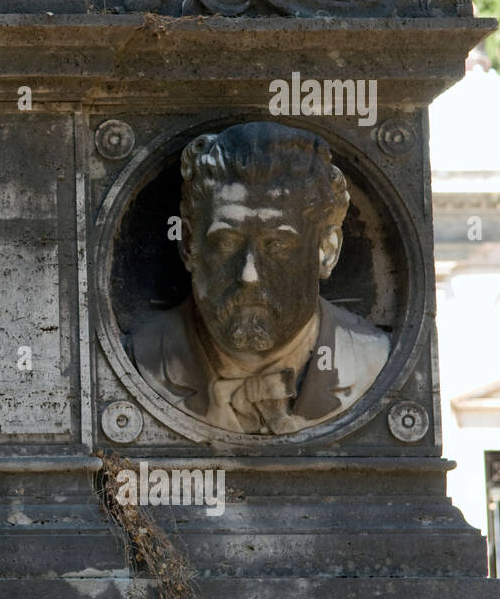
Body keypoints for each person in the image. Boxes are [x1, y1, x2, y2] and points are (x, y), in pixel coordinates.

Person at [128, 121, 389, 435]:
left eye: (277, 245)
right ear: (188, 246)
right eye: (226, 242)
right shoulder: (144, 354)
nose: (248, 275)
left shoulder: (371, 359)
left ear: (327, 251)